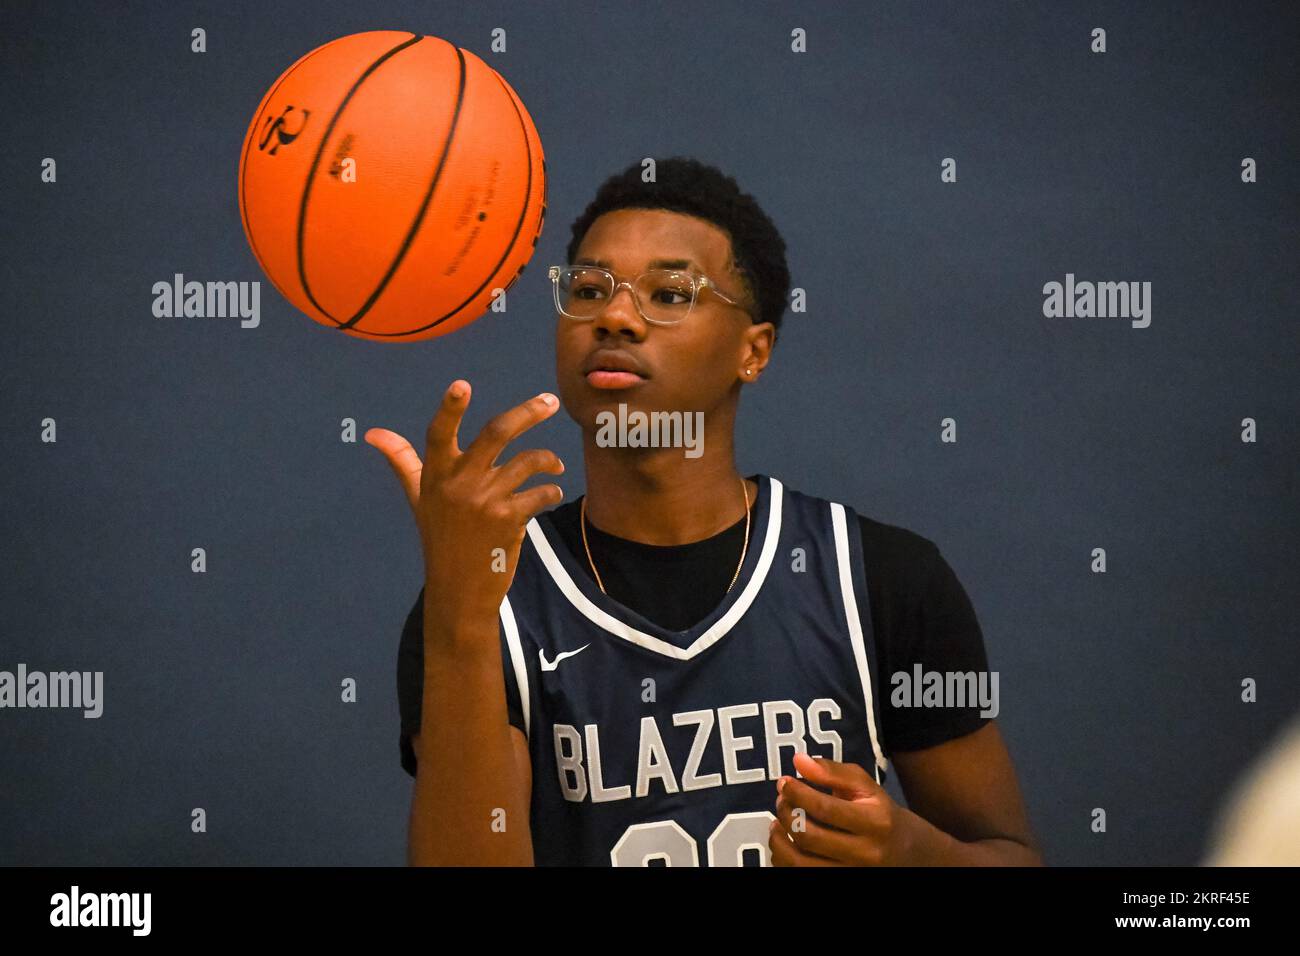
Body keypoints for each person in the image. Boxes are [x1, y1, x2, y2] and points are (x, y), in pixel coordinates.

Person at [367, 157, 1041, 866]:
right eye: (590, 289)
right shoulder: (483, 597)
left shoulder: (877, 577)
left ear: (753, 351)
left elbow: (1012, 855)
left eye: (669, 293)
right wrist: (460, 624)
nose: (616, 317)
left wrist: (909, 851)